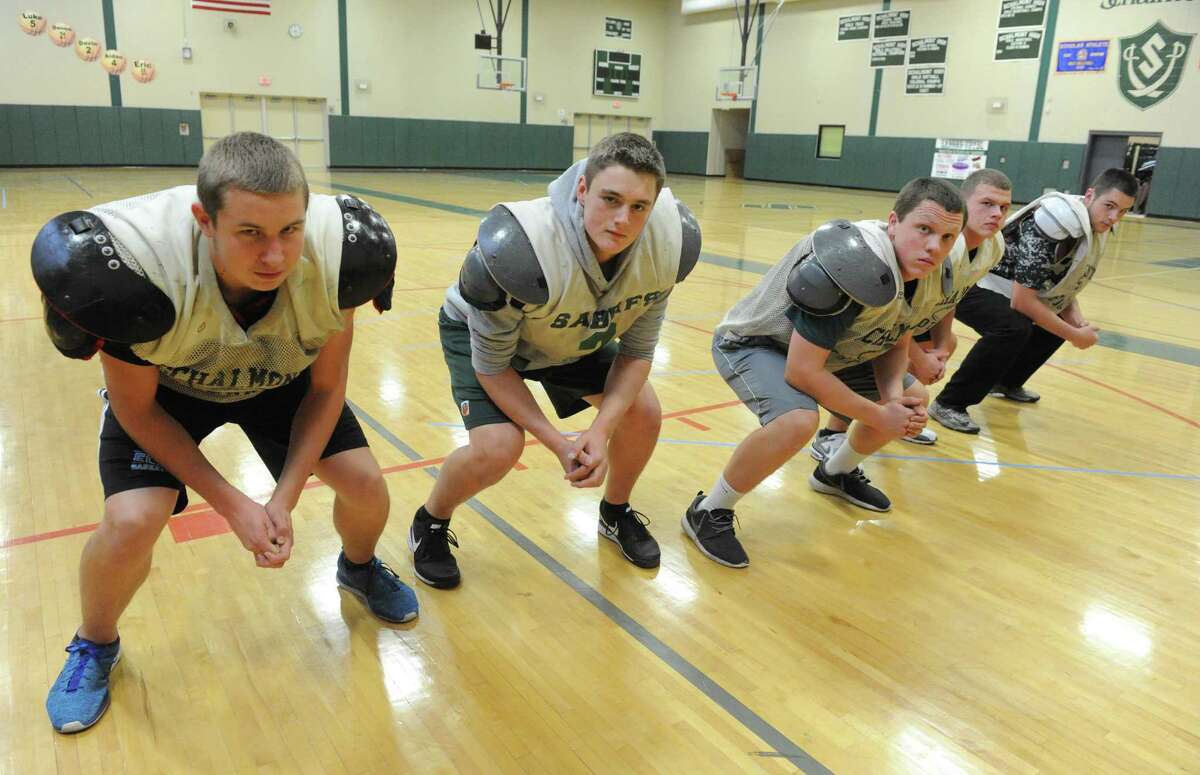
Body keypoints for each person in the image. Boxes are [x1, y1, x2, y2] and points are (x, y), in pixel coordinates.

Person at [33, 132, 416, 734]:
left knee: (367, 486)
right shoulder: (141, 275)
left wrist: (284, 498)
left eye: (290, 230)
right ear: (204, 221)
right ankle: (94, 644)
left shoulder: (336, 263)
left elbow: (325, 389)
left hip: (280, 377)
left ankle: (360, 567)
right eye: (250, 234)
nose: (275, 256)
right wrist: (233, 503)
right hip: (171, 395)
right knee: (132, 522)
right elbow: (136, 411)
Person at [410, 133, 701, 588]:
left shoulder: (669, 245)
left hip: (570, 327)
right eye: (610, 199)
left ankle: (615, 512)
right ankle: (430, 520)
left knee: (642, 412)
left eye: (640, 206)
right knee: (498, 448)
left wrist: (600, 430)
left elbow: (638, 352)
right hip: (488, 338)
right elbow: (492, 367)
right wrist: (557, 441)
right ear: (582, 190)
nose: (623, 220)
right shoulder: (518, 249)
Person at [683, 178, 964, 568]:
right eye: (925, 229)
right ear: (894, 222)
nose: (936, 246)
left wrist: (894, 400)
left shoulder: (928, 270)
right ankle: (709, 510)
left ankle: (835, 473)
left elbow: (895, 337)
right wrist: (880, 415)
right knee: (797, 420)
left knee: (912, 398)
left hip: (836, 353)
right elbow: (802, 372)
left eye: (949, 236)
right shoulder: (854, 262)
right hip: (759, 343)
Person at [809, 169, 1013, 459]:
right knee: (883, 369)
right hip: (892, 318)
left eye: (1004, 208)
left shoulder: (994, 246)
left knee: (927, 364)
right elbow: (897, 321)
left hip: (919, 316)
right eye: (987, 204)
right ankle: (834, 432)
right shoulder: (940, 250)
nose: (997, 214)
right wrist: (919, 356)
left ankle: (896, 420)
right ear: (963, 204)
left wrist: (943, 342)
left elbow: (952, 295)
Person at [928, 168, 1137, 433]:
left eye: (1123, 211)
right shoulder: (1056, 222)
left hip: (1004, 287)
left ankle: (1006, 381)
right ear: (1090, 195)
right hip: (974, 281)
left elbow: (1062, 285)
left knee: (1055, 322)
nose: (1113, 217)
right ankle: (949, 403)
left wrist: (1077, 323)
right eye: (1110, 206)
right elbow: (1022, 302)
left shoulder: (1092, 225)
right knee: (1013, 326)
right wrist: (1075, 335)